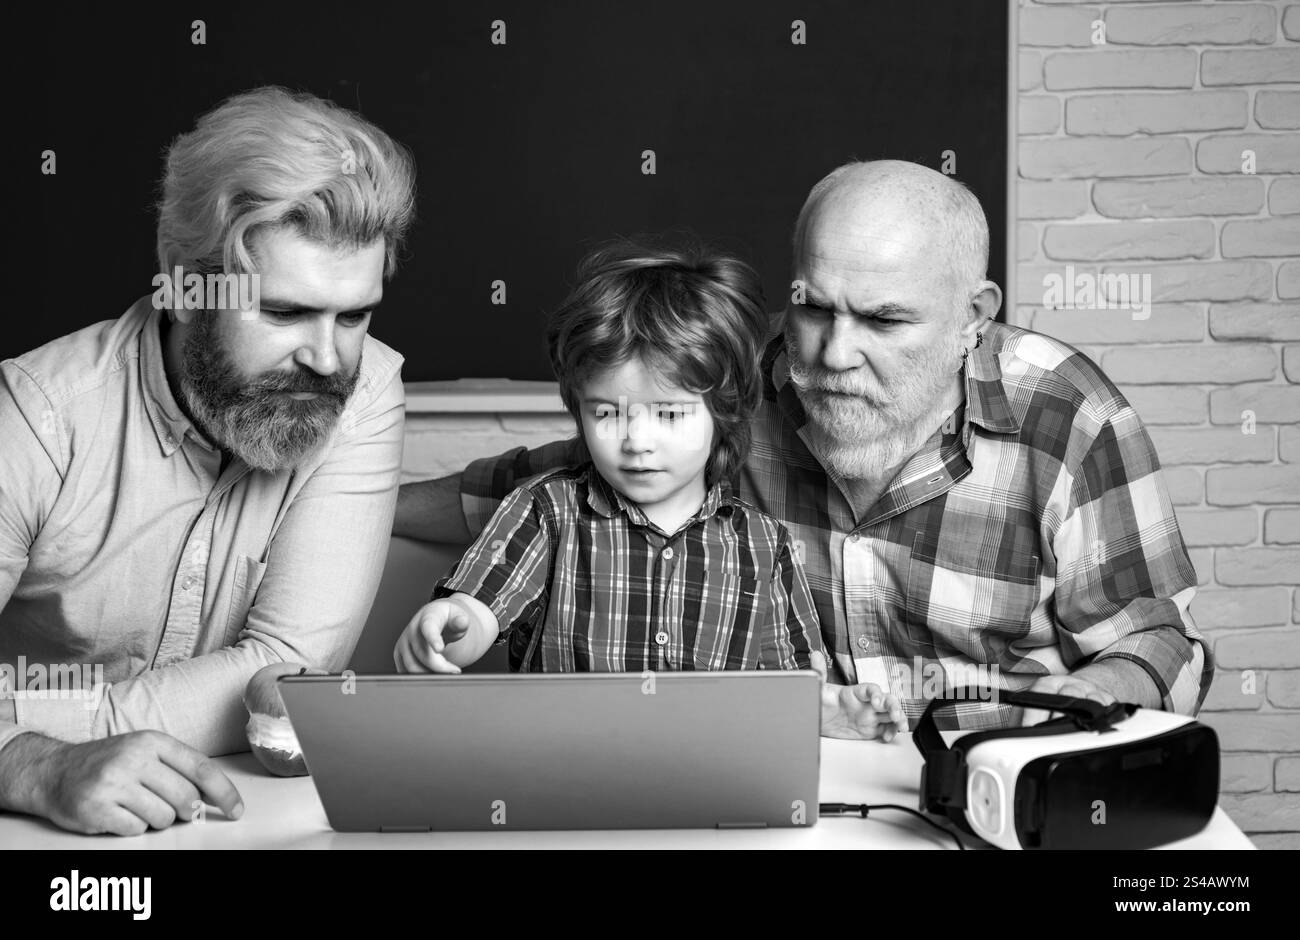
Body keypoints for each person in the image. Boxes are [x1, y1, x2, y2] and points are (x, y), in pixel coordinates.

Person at [395, 160, 1213, 733]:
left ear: (974, 317)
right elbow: (547, 486)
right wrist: (329, 510)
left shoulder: (1067, 417)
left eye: (885, 319)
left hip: (989, 771)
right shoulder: (746, 381)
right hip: (810, 780)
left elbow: (1156, 644)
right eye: (814, 307)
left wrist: (1061, 735)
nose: (830, 352)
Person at [0, 86, 416, 834]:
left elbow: (290, 664)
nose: (328, 360)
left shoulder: (366, 390)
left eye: (354, 315)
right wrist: (35, 763)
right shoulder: (35, 415)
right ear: (184, 283)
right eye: (284, 312)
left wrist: (23, 716)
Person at [394, 239, 907, 738]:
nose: (636, 441)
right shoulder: (545, 511)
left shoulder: (763, 544)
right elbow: (482, 608)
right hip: (563, 772)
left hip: (709, 782)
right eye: (605, 413)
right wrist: (449, 626)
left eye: (668, 414)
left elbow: (791, 686)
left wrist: (827, 712)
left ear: (723, 412)